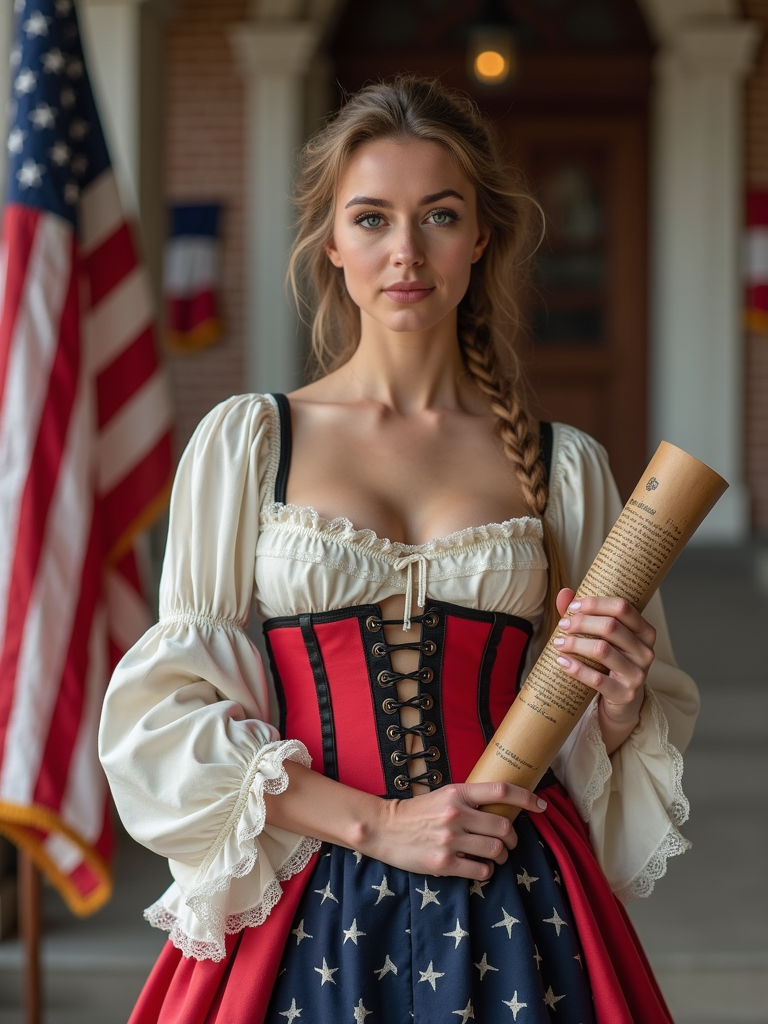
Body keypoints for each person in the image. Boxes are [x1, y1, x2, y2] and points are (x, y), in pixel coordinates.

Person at [99, 76, 699, 1024]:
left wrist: (620, 702)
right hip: (306, 897)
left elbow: (595, 742)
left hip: (515, 892)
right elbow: (169, 712)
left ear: (482, 236)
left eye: (440, 216)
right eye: (372, 218)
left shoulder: (565, 466)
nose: (406, 252)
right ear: (332, 242)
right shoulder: (250, 442)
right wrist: (379, 824)